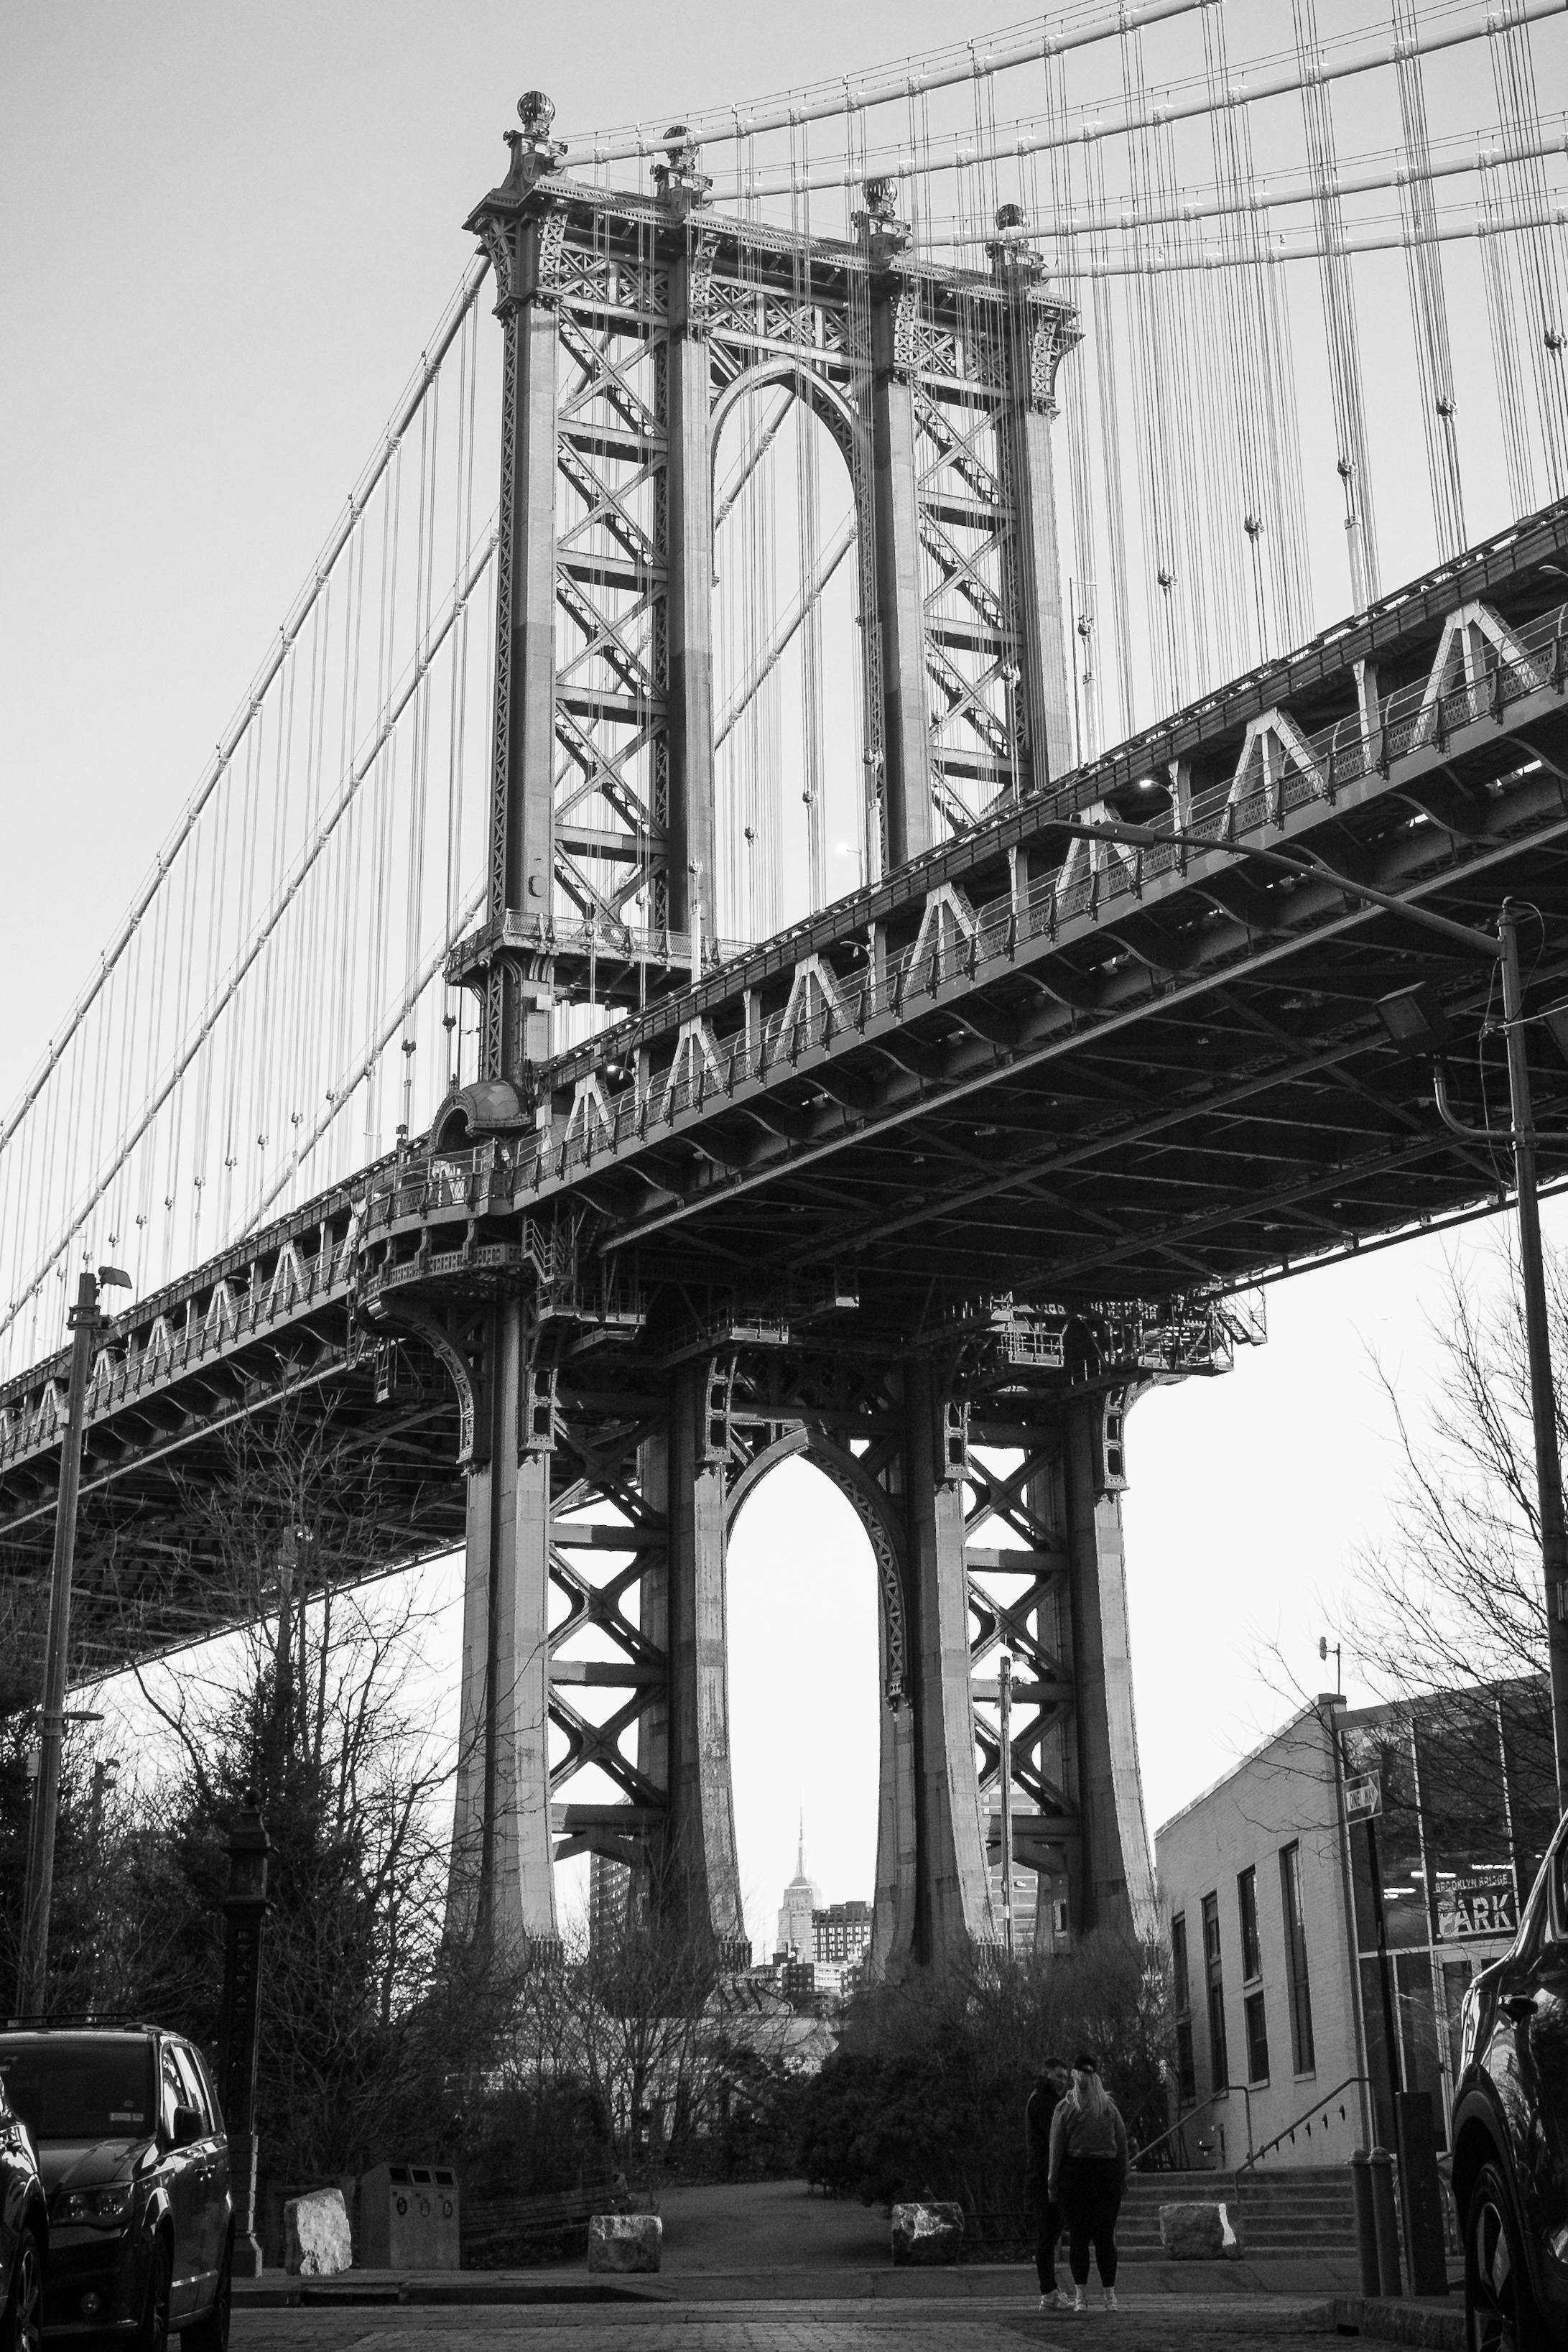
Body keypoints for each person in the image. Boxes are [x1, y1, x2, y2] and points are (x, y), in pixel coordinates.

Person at [1046, 2052, 1129, 2313]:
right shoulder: (1109, 2108)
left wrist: (1053, 2182)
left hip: (1076, 2174)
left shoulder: (1067, 2107)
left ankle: (1081, 2296)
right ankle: (1110, 2296)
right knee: (1105, 2238)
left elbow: (1056, 2148)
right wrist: (1122, 2176)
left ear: (1075, 2076)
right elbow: (1122, 2145)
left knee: (1079, 2238)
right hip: (1106, 2174)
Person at [1024, 2057, 1071, 2309]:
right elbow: (1057, 2139)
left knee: (1050, 2235)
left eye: (1065, 2077)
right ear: (1046, 2074)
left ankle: (1050, 2290)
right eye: (1058, 2076)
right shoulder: (1045, 2103)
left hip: (1044, 2176)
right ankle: (1049, 2291)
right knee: (1047, 2236)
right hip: (1045, 2178)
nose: (1063, 2081)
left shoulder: (1043, 2100)